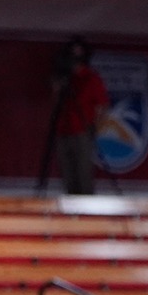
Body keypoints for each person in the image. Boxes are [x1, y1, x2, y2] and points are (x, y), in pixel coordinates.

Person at [52, 36, 109, 196]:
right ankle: (70, 204)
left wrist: (93, 127)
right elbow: (56, 100)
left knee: (84, 174)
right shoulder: (64, 78)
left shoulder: (91, 78)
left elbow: (102, 105)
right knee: (67, 174)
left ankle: (86, 207)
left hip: (82, 131)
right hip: (63, 131)